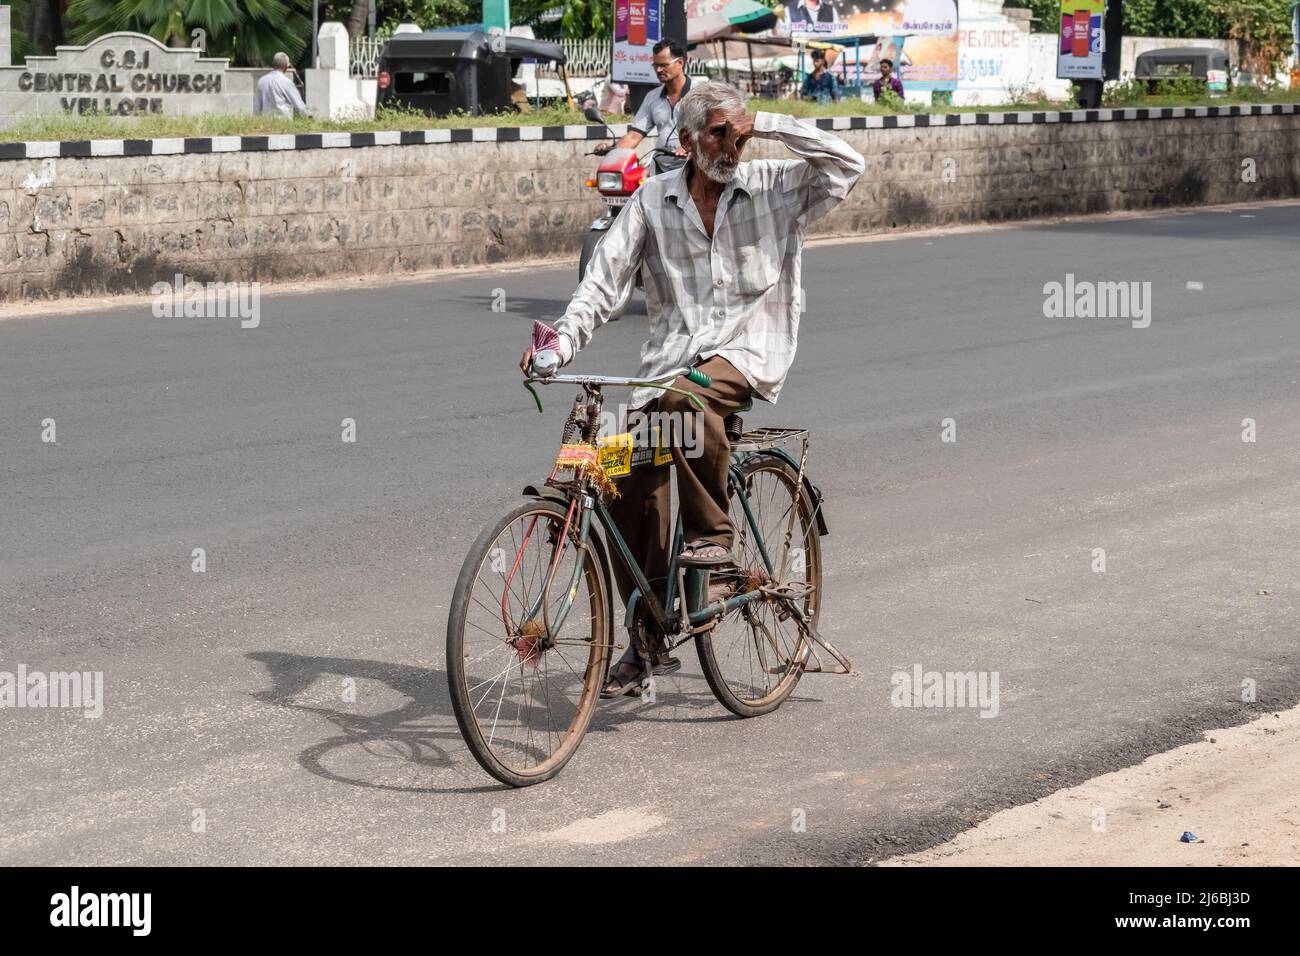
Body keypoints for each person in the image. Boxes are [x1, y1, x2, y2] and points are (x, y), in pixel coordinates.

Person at [519, 81, 864, 694]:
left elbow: (848, 165)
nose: (733, 143)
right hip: (667, 365)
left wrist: (768, 120)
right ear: (684, 142)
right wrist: (559, 345)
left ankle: (713, 540)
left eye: (738, 132)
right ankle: (648, 631)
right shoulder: (652, 201)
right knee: (615, 469)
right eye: (718, 133)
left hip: (745, 353)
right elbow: (602, 285)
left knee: (687, 400)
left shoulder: (776, 186)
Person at [594, 38, 690, 174]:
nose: (658, 70)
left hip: (694, 169)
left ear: (680, 63)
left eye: (664, 65)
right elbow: (634, 135)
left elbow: (713, 130)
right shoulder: (653, 97)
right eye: (655, 65)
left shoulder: (701, 92)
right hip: (660, 170)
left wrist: (691, 147)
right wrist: (610, 150)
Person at [254, 52, 309, 118]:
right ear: (286, 67)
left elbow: (256, 107)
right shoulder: (286, 82)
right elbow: (299, 105)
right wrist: (308, 117)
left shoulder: (262, 81)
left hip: (265, 123)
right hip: (283, 123)